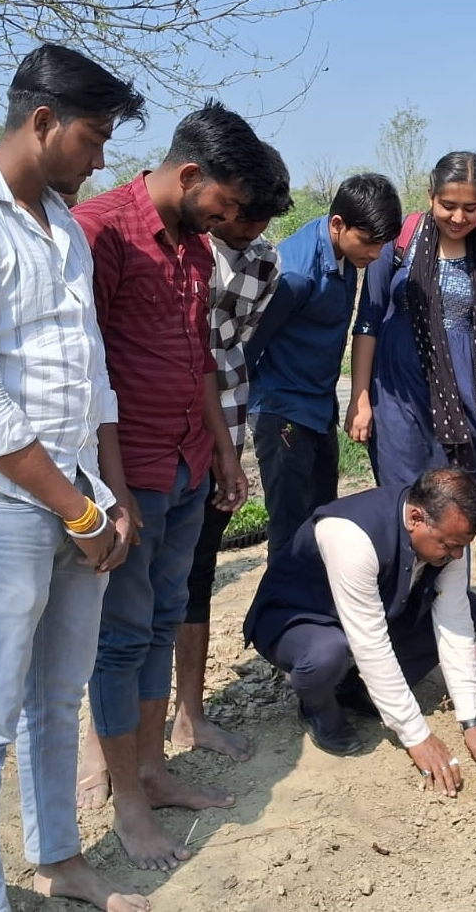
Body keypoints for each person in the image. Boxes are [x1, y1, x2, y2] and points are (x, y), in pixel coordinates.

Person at [0, 44, 148, 912]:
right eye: (94, 135)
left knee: (56, 697)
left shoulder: (58, 226)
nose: (101, 156)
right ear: (42, 122)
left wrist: (108, 495)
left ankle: (58, 857)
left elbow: (91, 374)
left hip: (76, 497)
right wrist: (78, 510)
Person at [73, 101, 274, 871]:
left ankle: (153, 768)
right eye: (222, 207)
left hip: (189, 463)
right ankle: (126, 797)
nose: (227, 225)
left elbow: (199, 363)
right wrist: (114, 490)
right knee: (120, 639)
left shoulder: (194, 246)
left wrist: (223, 452)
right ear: (189, 175)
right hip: (133, 475)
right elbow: (87, 380)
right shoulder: (99, 233)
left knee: (161, 621)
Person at [242, 468, 476, 794]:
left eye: (463, 546)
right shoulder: (350, 535)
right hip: (299, 618)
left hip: (368, 613)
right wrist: (417, 737)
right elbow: (370, 643)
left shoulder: (448, 532)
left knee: (471, 609)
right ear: (416, 518)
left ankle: (352, 688)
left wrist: (472, 723)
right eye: (449, 545)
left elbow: (454, 621)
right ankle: (317, 707)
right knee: (326, 654)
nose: (457, 555)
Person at [171, 145, 295, 766]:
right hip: (160, 426)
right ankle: (105, 745)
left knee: (196, 572)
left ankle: (189, 716)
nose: (246, 234)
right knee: (134, 591)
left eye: (258, 225)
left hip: (227, 424)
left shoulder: (265, 263)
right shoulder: (182, 245)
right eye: (240, 218)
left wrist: (230, 450)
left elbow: (237, 348)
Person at [347, 151, 476, 531]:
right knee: (403, 503)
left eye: (471, 207)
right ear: (429, 194)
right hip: (396, 397)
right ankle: (404, 587)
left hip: (464, 403)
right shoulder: (400, 240)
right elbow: (367, 323)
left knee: (454, 506)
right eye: (448, 205)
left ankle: (450, 592)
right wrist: (361, 397)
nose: (459, 217)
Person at [247, 173, 403, 555]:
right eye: (369, 243)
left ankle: (317, 607)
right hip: (283, 411)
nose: (375, 254)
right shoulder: (296, 275)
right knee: (289, 528)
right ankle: (282, 611)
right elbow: (251, 346)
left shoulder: (348, 257)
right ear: (338, 224)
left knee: (324, 520)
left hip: (319, 408)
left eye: (382, 245)